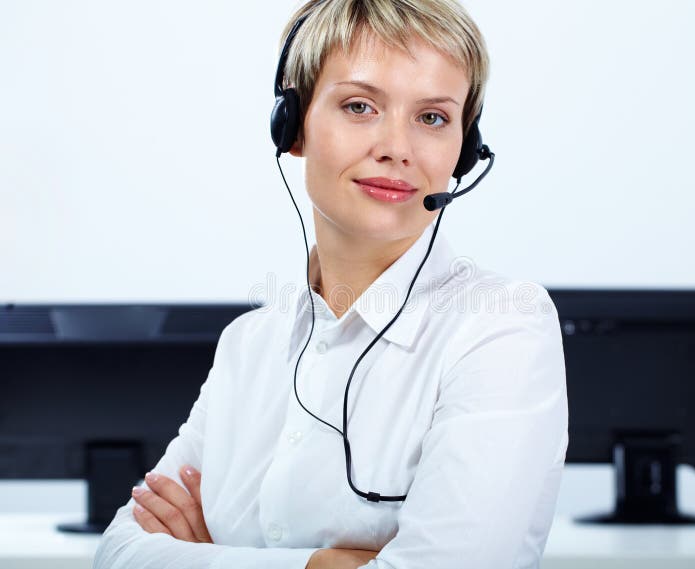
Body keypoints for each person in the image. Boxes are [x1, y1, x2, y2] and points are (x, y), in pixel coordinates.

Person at [92, 1, 568, 568]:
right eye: (360, 106)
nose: (397, 147)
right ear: (291, 125)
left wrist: (207, 558)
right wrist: (329, 563)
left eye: (433, 118)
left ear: (463, 150)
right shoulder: (250, 344)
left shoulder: (500, 327)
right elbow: (119, 555)